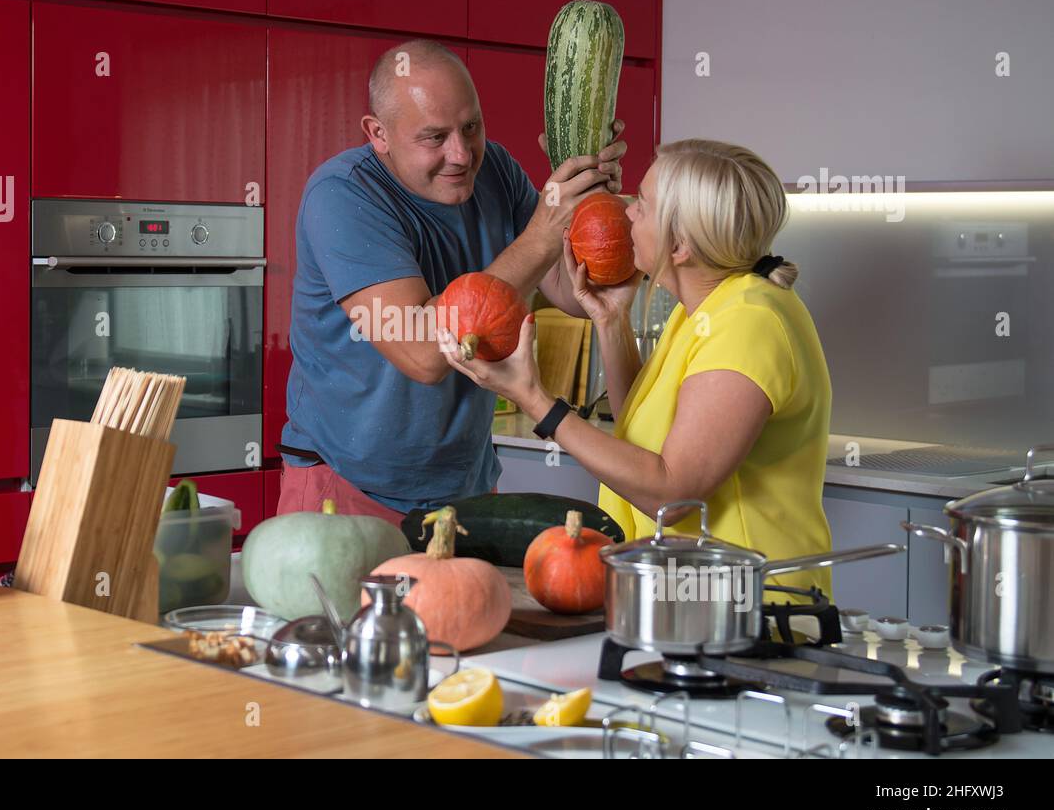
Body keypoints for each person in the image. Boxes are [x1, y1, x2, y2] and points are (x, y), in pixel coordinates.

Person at [440, 139, 835, 596]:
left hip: (753, 608)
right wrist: (611, 320)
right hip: (690, 599)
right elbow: (644, 435)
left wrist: (536, 400)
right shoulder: (703, 310)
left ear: (681, 244)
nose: (626, 212)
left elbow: (672, 494)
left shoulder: (750, 322)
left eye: (642, 205)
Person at [277, 38, 626, 525]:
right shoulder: (342, 195)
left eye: (471, 127)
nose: (461, 154)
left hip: (468, 487)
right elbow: (422, 351)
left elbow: (570, 294)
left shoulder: (496, 170)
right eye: (434, 137)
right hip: (347, 487)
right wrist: (544, 232)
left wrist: (591, 207)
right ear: (378, 134)